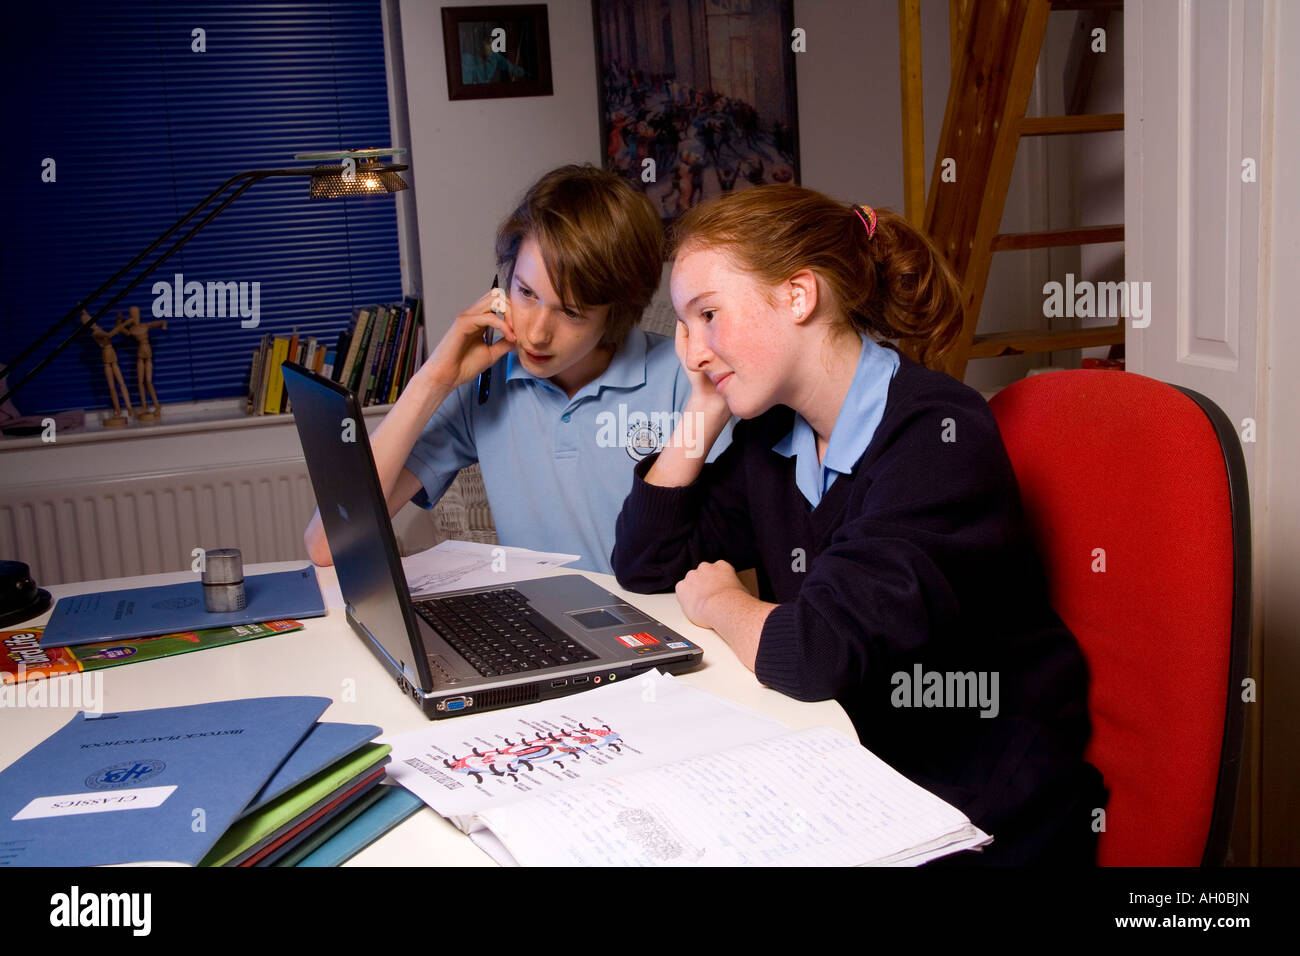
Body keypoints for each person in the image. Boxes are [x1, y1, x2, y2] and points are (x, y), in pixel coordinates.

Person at [611, 185, 1106, 865]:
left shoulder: (938, 436)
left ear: (798, 296)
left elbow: (814, 653)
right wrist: (704, 407)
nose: (690, 351)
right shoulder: (776, 440)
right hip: (858, 770)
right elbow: (646, 560)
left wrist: (721, 602)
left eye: (708, 315)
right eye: (683, 327)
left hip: (978, 803)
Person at [304, 164, 707, 575]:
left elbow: (737, 561)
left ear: (616, 312)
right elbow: (328, 544)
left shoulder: (688, 380)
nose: (536, 332)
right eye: (525, 292)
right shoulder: (485, 384)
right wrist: (431, 382)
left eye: (570, 312)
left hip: (665, 632)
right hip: (543, 629)